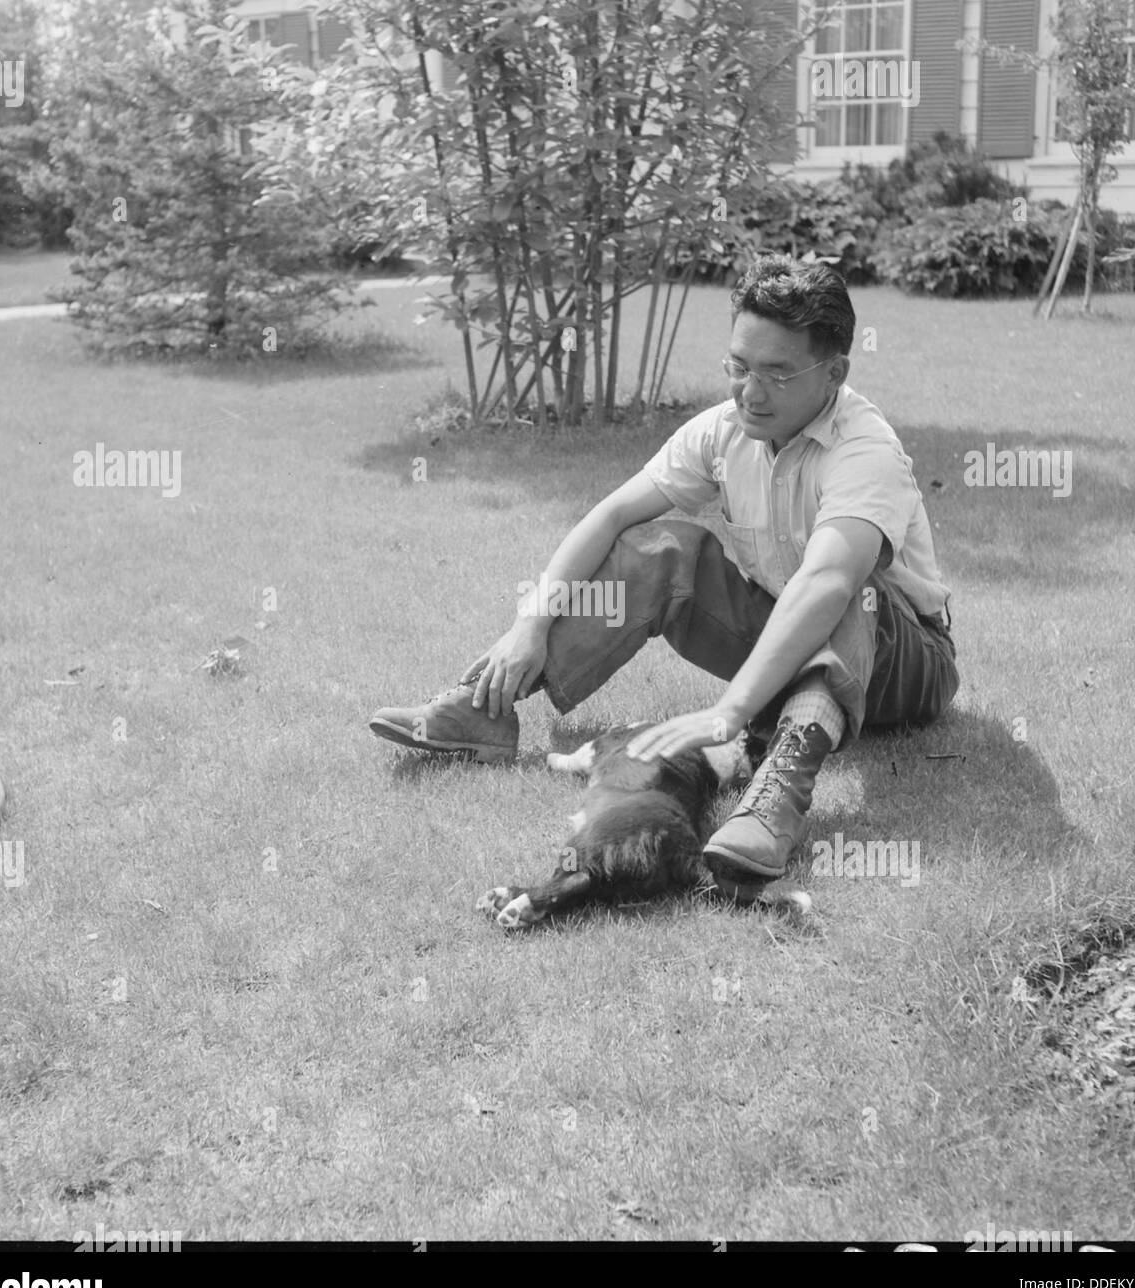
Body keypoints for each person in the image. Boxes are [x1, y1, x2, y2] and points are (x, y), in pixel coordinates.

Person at [371, 254, 959, 899]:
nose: (749, 391)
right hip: (787, 638)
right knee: (663, 544)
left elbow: (826, 583)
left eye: (777, 373)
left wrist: (731, 711)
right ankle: (484, 708)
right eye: (738, 366)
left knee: (852, 583)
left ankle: (774, 800)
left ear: (834, 373)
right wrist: (527, 626)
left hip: (901, 665)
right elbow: (611, 515)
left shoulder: (864, 451)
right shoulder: (726, 430)